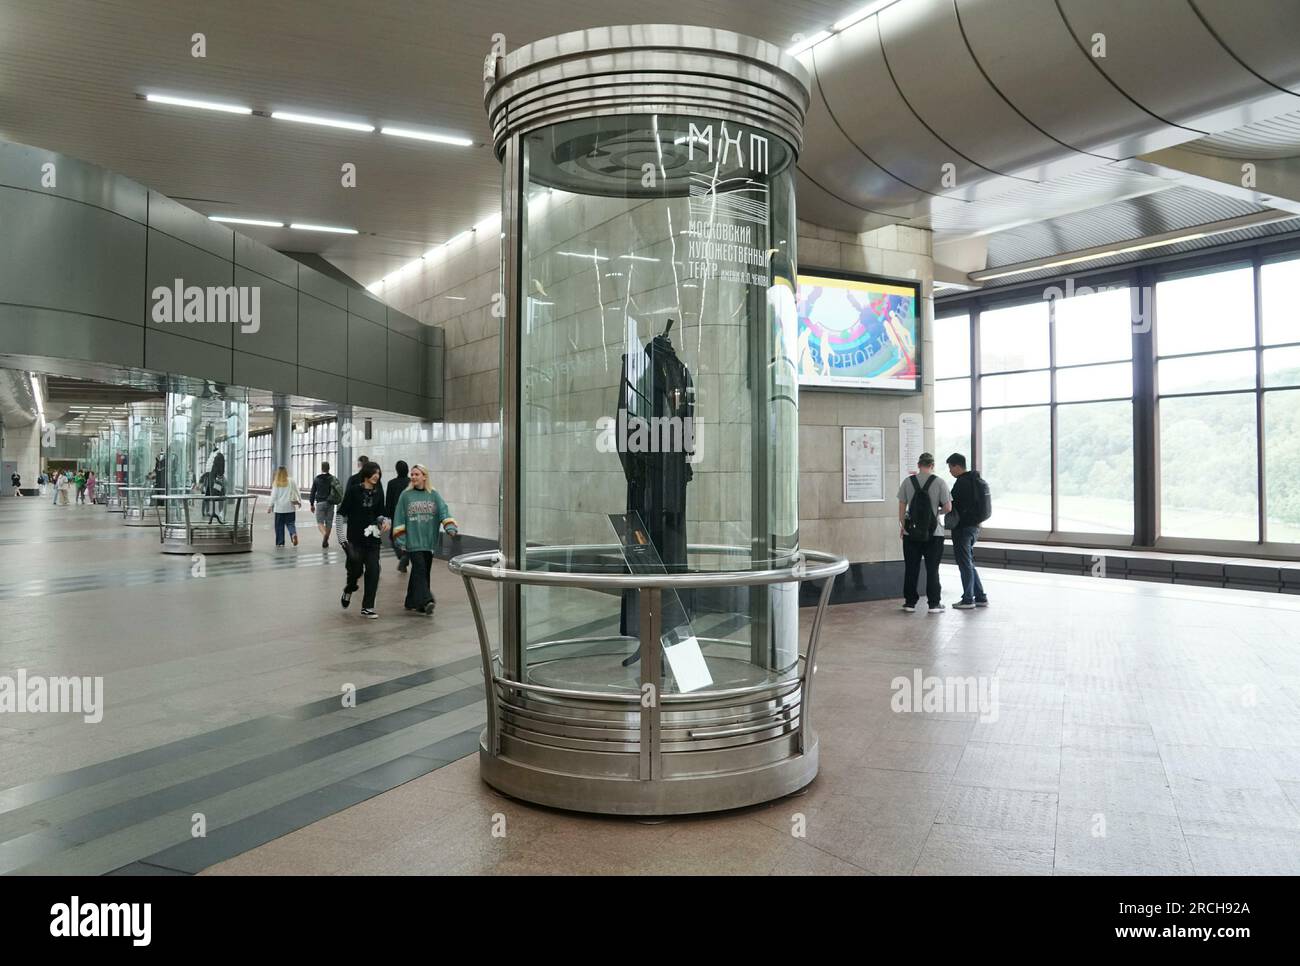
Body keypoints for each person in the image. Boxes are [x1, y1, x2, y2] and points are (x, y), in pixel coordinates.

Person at [392, 464, 458, 615]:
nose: (413, 477)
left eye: (416, 474)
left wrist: (450, 527)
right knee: (420, 568)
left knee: (422, 571)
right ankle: (427, 600)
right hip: (413, 541)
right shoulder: (405, 495)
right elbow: (399, 517)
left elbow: (443, 511)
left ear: (424, 477)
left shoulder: (433, 494)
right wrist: (401, 539)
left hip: (428, 542)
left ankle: (411, 601)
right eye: (412, 474)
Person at [897, 452, 952, 614]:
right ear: (932, 466)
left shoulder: (908, 482)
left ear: (918, 465)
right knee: (932, 569)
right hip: (934, 533)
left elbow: (901, 506)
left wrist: (903, 525)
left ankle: (910, 603)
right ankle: (934, 604)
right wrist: (935, 514)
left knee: (911, 568)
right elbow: (948, 507)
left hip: (911, 533)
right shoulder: (940, 482)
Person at [337, 461, 389, 619]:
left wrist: (385, 521)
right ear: (366, 473)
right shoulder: (354, 491)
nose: (376, 476)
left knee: (374, 571)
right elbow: (341, 513)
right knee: (355, 571)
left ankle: (368, 607)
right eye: (374, 473)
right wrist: (342, 538)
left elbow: (381, 513)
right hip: (355, 540)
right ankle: (349, 588)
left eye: (379, 473)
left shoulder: (379, 492)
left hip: (373, 540)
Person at [947, 453, 990, 610]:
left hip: (963, 529)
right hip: (975, 527)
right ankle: (980, 596)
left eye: (950, 467)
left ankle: (968, 599)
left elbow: (951, 504)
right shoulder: (975, 480)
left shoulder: (962, 483)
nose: (950, 471)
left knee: (964, 563)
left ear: (957, 466)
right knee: (969, 562)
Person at [385, 460, 411, 573]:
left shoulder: (392, 483)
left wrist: (387, 516)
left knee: (393, 537)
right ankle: (405, 557)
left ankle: (403, 556)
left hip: (396, 515)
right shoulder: (411, 482)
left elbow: (389, 501)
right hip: (410, 514)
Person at [309, 460, 341, 549]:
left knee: (320, 522)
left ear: (322, 468)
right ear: (329, 468)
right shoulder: (333, 478)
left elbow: (312, 492)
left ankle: (325, 535)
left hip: (320, 503)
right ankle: (326, 540)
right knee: (329, 522)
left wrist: (311, 504)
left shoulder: (317, 479)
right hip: (330, 503)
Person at [267, 465, 301, 548]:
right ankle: (293, 534)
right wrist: (299, 501)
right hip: (290, 508)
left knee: (279, 526)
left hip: (279, 509)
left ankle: (280, 542)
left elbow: (273, 496)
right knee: (291, 524)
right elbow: (297, 491)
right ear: (286, 472)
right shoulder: (291, 480)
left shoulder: (276, 482)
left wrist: (270, 506)